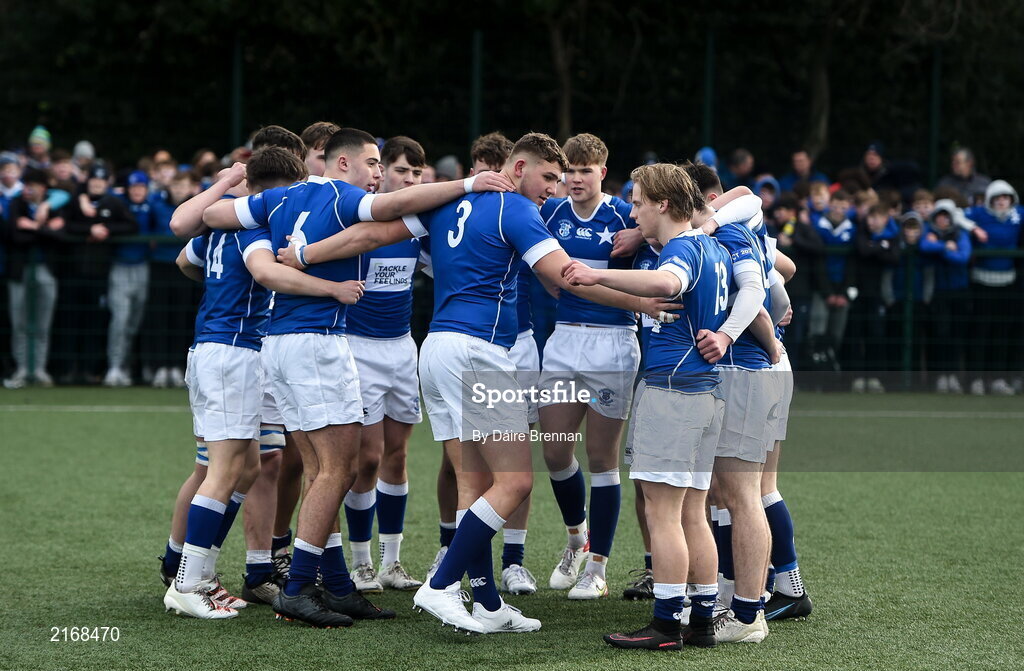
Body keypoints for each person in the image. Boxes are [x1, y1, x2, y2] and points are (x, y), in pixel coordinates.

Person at [275, 132, 679, 634]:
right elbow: (568, 278)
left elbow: (371, 235)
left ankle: (486, 602)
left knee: (476, 483)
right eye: (548, 177)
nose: (553, 189)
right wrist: (641, 302)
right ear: (517, 168)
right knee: (515, 481)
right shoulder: (518, 210)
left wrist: (307, 254)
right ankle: (442, 584)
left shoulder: (451, 200)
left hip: (436, 349)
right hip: (479, 355)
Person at [205, 126, 515, 628]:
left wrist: (230, 185)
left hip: (278, 343)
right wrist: (467, 185)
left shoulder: (279, 198)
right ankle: (302, 586)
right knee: (339, 469)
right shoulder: (341, 194)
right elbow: (391, 213)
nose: (378, 172)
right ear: (341, 163)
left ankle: (339, 585)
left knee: (318, 467)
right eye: (373, 162)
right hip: (318, 342)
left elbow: (208, 216)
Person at [163, 147, 367, 619]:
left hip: (226, 349)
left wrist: (221, 292)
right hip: (231, 351)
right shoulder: (252, 225)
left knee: (247, 466)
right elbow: (265, 270)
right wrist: (331, 288)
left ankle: (199, 572)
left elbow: (185, 260)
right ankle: (187, 581)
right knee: (222, 470)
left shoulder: (218, 226)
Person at [562, 163, 728, 650]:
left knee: (663, 512)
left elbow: (666, 285)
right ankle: (699, 621)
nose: (632, 212)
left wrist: (594, 273)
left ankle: (665, 624)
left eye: (637, 203)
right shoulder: (712, 246)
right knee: (692, 512)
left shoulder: (682, 248)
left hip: (674, 390)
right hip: (705, 391)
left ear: (664, 205)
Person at [537, 133, 640, 600]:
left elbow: (677, 229)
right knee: (556, 452)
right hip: (563, 342)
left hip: (614, 344)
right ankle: (577, 538)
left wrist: (641, 233)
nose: (574, 179)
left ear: (602, 171)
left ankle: (596, 568)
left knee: (602, 459)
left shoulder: (624, 214)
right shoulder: (550, 212)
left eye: (584, 170)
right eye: (568, 171)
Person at [684, 161, 781, 643]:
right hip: (731, 371)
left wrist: (726, 335)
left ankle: (748, 616)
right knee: (729, 494)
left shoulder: (731, 231)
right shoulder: (712, 232)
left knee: (744, 496)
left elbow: (755, 291)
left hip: (741, 371)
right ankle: (739, 602)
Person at [342, 135, 429, 593]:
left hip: (402, 349)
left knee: (397, 455)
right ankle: (359, 563)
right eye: (401, 171)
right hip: (359, 349)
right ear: (382, 173)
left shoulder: (418, 226)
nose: (409, 179)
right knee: (368, 458)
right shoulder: (359, 217)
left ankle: (390, 562)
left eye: (417, 173)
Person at [61, 163, 137, 383]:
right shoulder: (76, 201)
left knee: (94, 323)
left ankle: (91, 370)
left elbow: (131, 226)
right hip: (73, 272)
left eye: (101, 181)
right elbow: (65, 226)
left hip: (100, 273)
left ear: (107, 183)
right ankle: (67, 370)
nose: (97, 185)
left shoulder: (114, 202)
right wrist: (89, 229)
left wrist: (106, 229)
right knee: (70, 321)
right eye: (94, 181)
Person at [2, 168, 64, 388]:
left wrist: (34, 226)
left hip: (45, 270)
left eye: (34, 184)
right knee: (19, 323)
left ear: (43, 188)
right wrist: (45, 230)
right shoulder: (16, 204)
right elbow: (14, 235)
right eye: (27, 184)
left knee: (42, 324)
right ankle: (21, 369)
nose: (30, 188)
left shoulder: (53, 206)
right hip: (19, 272)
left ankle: (38, 370)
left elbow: (59, 236)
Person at [964, 180, 1022, 395]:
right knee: (981, 331)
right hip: (982, 282)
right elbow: (955, 215)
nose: (1001, 202)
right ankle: (975, 379)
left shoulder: (1018, 215)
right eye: (997, 198)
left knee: (1002, 332)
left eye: (1005, 198)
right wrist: (974, 229)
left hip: (1007, 283)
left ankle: (997, 378)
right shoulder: (979, 213)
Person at [144, 171, 200, 387]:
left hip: (186, 268)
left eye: (182, 185)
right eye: (175, 185)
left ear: (190, 187)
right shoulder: (156, 206)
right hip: (160, 266)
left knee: (181, 318)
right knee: (160, 317)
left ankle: (177, 366)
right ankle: (160, 367)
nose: (178, 189)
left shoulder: (196, 205)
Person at [105, 171, 155, 386]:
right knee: (120, 319)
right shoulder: (119, 204)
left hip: (142, 267)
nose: (137, 191)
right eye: (133, 187)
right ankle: (114, 366)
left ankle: (126, 365)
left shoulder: (152, 207)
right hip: (120, 266)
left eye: (140, 187)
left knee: (134, 321)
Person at [920, 201, 971, 393]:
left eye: (946, 216)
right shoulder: (929, 231)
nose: (942, 220)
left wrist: (941, 249)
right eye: (939, 216)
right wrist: (946, 247)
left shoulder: (960, 234)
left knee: (956, 336)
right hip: (939, 293)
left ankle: (953, 376)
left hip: (959, 291)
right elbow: (924, 246)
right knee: (941, 334)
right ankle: (940, 376)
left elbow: (962, 258)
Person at [848, 205, 900, 392]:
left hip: (879, 294)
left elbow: (894, 257)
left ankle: (875, 377)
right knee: (857, 334)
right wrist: (881, 247)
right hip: (858, 293)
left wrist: (875, 248)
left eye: (877, 217)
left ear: (886, 218)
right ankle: (857, 378)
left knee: (876, 335)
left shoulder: (893, 235)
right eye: (871, 217)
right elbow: (863, 250)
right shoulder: (861, 232)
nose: (873, 221)